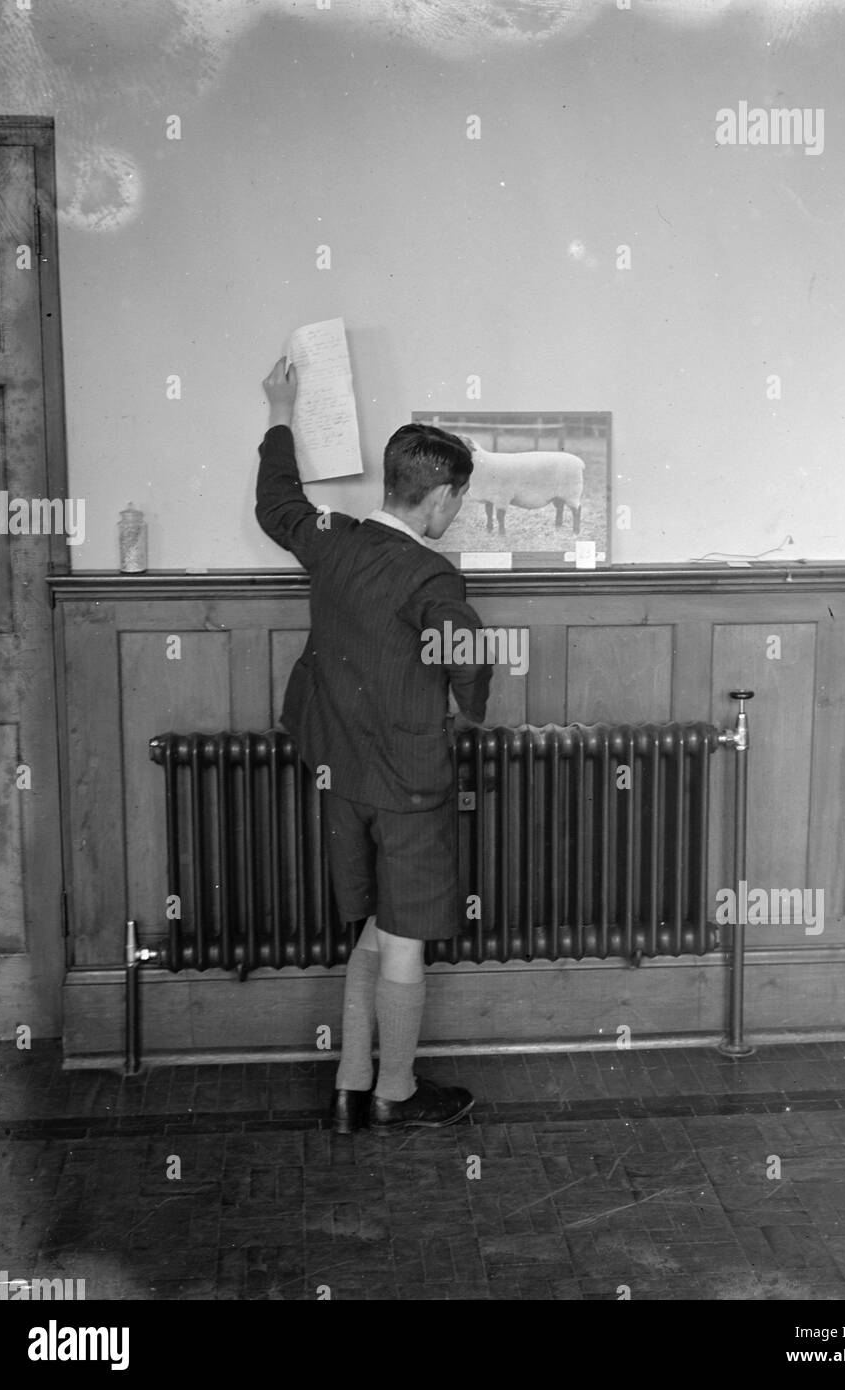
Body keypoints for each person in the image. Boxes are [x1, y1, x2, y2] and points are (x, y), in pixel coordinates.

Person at [255, 358, 492, 1132]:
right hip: (409, 783)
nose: (456, 512)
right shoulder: (431, 575)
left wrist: (280, 409)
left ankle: (349, 1084)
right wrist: (472, 708)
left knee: (371, 925)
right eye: (458, 499)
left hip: (338, 771)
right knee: (404, 941)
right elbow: (464, 659)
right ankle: (394, 1093)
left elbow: (275, 503)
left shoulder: (333, 542)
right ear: (440, 496)